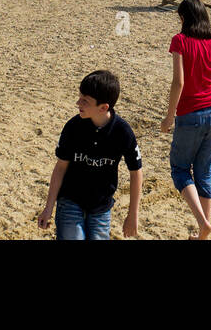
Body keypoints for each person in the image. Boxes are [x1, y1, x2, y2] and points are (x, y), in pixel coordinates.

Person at [161, 0, 211, 240]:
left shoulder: (180, 41)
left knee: (180, 169)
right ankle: (203, 232)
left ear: (183, 18)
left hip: (190, 114)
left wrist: (169, 117)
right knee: (204, 171)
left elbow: (178, 82)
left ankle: (203, 223)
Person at [37, 70, 141, 240]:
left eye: (85, 101)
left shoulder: (123, 132)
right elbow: (60, 167)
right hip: (70, 200)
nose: (78, 103)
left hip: (101, 207)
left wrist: (133, 215)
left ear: (103, 107)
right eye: (79, 97)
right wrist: (49, 207)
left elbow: (136, 173)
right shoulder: (73, 127)